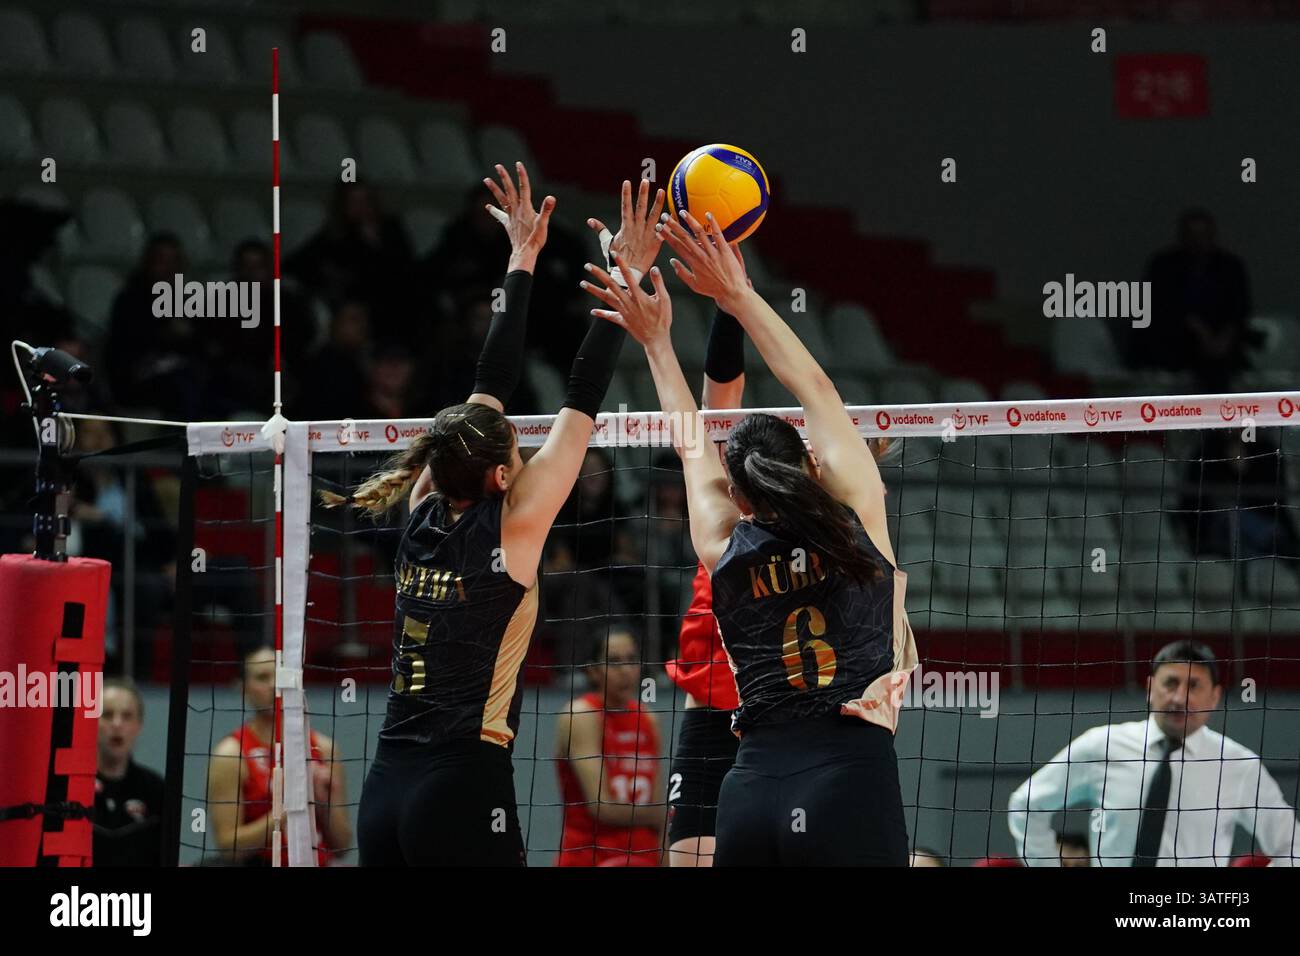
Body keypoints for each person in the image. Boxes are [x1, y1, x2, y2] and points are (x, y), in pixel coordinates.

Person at [335, 167, 663, 867]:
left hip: (386, 787)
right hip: (461, 782)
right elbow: (581, 394)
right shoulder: (513, 531)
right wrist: (625, 273)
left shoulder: (421, 508)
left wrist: (521, 257)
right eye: (515, 441)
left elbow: (490, 385)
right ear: (501, 475)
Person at [582, 208, 919, 866]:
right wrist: (738, 293)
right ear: (810, 463)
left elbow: (689, 442)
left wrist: (655, 339)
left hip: (752, 787)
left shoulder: (723, 546)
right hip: (845, 776)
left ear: (736, 497)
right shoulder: (858, 513)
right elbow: (814, 386)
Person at [1008, 640, 1299, 866]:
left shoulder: (1238, 765)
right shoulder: (1103, 745)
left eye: (1194, 686)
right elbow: (1026, 804)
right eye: (1170, 683)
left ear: (1215, 697)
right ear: (1150, 688)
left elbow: (1291, 846)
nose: (1179, 697)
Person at [205, 646, 351, 865]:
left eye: (280, 675)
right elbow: (228, 846)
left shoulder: (323, 748)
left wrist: (321, 800)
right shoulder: (231, 754)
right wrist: (284, 811)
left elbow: (343, 846)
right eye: (262, 677)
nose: (274, 684)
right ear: (244, 688)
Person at [555, 627, 664, 866]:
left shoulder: (649, 719)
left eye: (632, 660)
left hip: (643, 858)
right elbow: (600, 806)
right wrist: (661, 816)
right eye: (614, 662)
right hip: (590, 856)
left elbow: (658, 809)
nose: (626, 671)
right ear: (593, 671)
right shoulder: (581, 715)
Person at [93, 678, 165, 866]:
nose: (117, 724)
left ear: (138, 725)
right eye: (107, 715)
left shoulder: (155, 789)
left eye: (126, 716)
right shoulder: (69, 787)